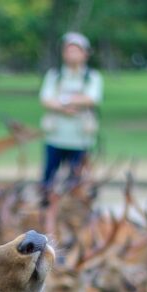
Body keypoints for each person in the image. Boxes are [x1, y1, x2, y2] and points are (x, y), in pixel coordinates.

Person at [38, 32, 102, 201]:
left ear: (85, 54)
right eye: (69, 50)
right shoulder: (55, 75)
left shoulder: (91, 77)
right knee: (48, 178)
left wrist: (62, 101)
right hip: (55, 135)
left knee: (77, 179)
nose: (72, 54)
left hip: (81, 137)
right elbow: (45, 100)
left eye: (76, 50)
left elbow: (91, 99)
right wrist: (69, 105)